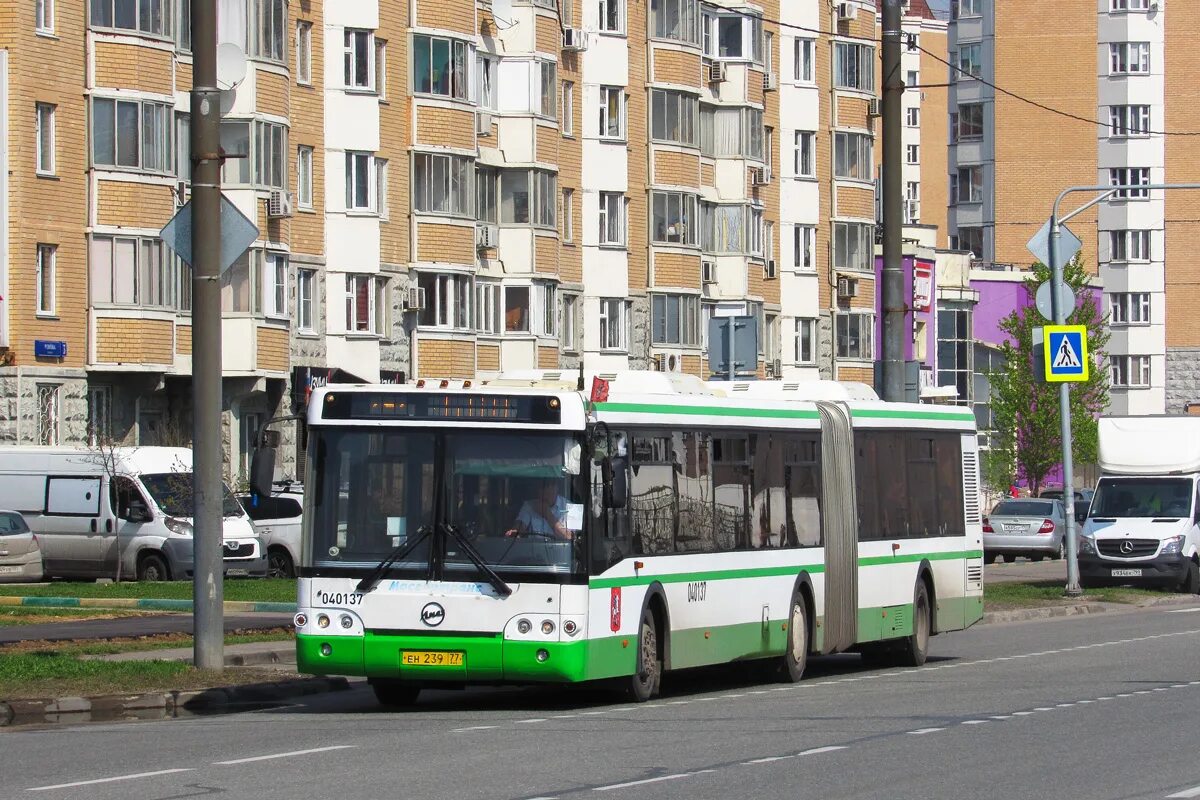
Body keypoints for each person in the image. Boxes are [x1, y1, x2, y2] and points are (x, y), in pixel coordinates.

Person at [506, 480, 572, 540]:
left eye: (550, 488)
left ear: (556, 488)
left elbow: (570, 537)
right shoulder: (529, 505)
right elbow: (520, 524)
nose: (546, 493)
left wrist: (548, 515)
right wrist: (516, 531)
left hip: (560, 551)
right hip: (533, 550)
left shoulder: (570, 506)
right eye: (542, 489)